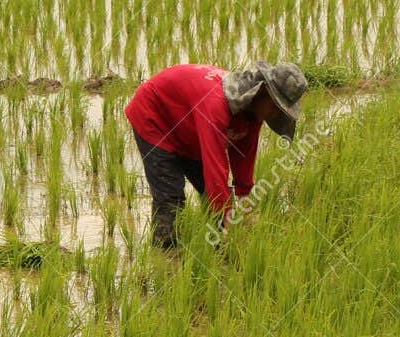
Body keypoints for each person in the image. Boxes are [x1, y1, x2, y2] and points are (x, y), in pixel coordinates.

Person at [124, 60, 308, 247]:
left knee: (214, 194)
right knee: (171, 198)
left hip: (189, 126)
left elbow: (244, 153)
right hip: (155, 117)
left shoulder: (252, 109)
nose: (276, 114)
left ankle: (214, 247)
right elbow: (215, 167)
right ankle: (166, 256)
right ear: (263, 91)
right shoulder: (217, 103)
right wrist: (227, 219)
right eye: (276, 106)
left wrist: (245, 200)